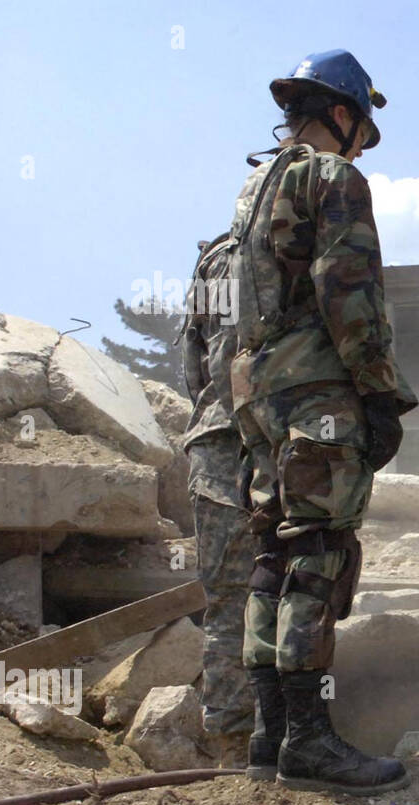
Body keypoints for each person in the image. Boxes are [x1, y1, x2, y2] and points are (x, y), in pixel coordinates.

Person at [228, 50, 418, 793]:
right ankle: (308, 739)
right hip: (315, 393)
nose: (359, 148)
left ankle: (271, 732)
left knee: (273, 553)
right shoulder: (333, 178)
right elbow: (351, 294)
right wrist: (378, 394)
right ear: (342, 114)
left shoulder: (250, 191)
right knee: (320, 551)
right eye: (361, 132)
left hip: (259, 398)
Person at [179, 233, 256, 768]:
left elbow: (192, 369)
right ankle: (287, 743)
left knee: (229, 605)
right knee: (295, 595)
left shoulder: (213, 262)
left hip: (218, 447)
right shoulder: (314, 240)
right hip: (287, 448)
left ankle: (231, 752)